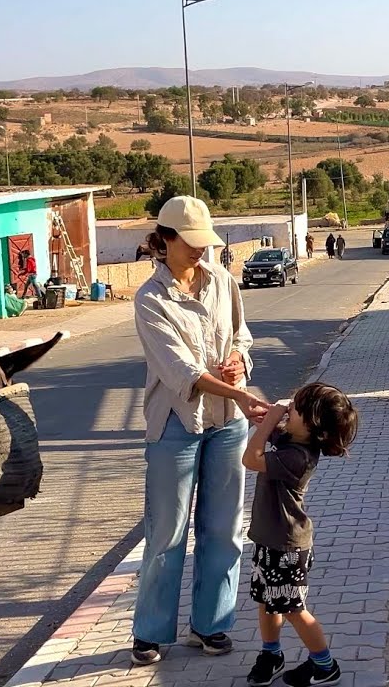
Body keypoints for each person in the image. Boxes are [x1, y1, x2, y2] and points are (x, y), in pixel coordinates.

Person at [131, 195, 271, 666]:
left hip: (226, 425)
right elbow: (181, 371)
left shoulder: (224, 283)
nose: (198, 250)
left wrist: (241, 361)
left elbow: (243, 336)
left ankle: (212, 626)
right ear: (164, 239)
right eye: (188, 242)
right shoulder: (149, 299)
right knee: (167, 533)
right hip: (175, 424)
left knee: (224, 530)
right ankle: (150, 632)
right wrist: (241, 394)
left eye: (202, 242)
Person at [243, 384, 359, 687]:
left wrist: (270, 422)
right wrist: (263, 414)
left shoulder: (299, 457)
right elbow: (268, 429)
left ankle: (325, 665)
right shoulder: (293, 439)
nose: (287, 408)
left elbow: (251, 458)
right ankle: (272, 654)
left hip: (287, 548)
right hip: (269, 541)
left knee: (293, 609)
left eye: (295, 407)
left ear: (311, 425)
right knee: (268, 601)